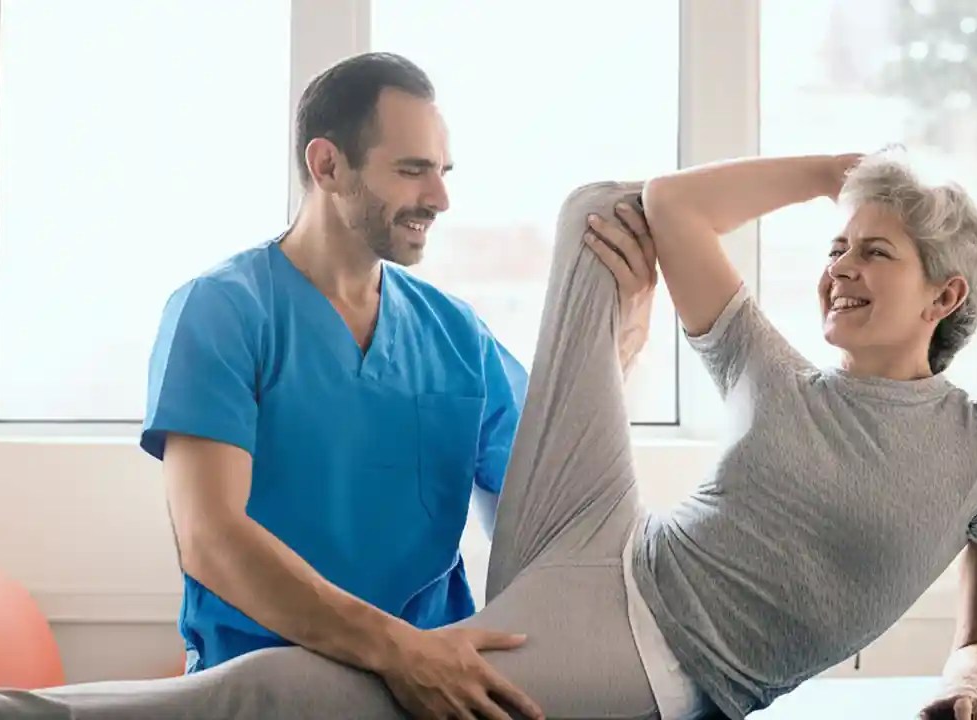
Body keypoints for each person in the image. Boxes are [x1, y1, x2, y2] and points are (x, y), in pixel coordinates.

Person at [0, 149, 977, 720]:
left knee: (284, 692)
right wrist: (843, 176)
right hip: (605, 544)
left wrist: (969, 687)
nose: (836, 270)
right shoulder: (774, 373)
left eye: (871, 253)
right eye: (837, 249)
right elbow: (664, 207)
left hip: (656, 656)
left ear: (944, 297)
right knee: (599, 206)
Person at [133, 50, 654, 719]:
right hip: (273, 687)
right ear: (327, 166)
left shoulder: (455, 334)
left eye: (442, 173)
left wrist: (623, 339)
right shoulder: (224, 311)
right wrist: (397, 651)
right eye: (411, 171)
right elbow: (210, 540)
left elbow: (555, 491)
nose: (439, 199)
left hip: (438, 691)